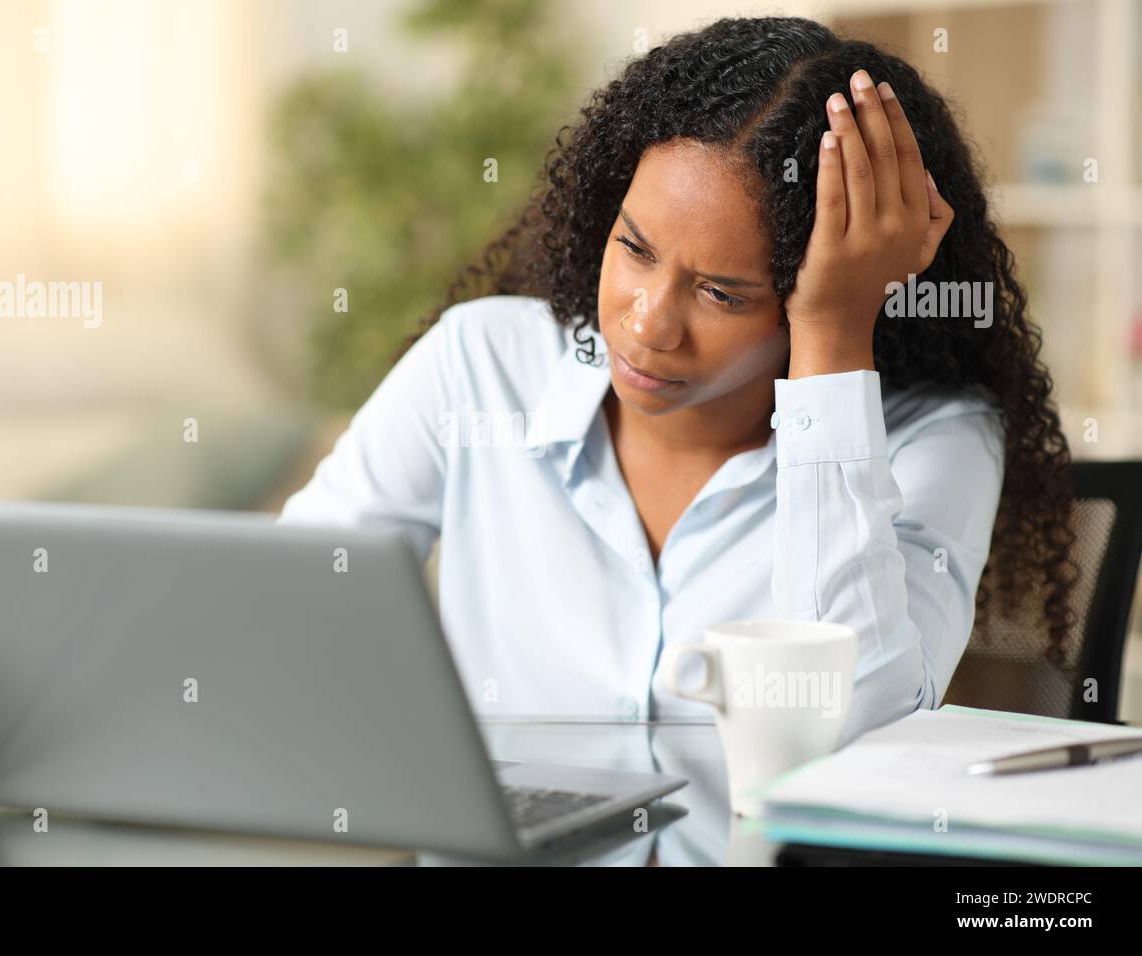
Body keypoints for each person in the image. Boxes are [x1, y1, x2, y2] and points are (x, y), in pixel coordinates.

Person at [277, 16, 1075, 745]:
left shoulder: (936, 436)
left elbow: (855, 740)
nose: (648, 323)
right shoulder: (481, 368)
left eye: (721, 293)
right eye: (634, 249)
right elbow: (287, 601)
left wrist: (834, 337)